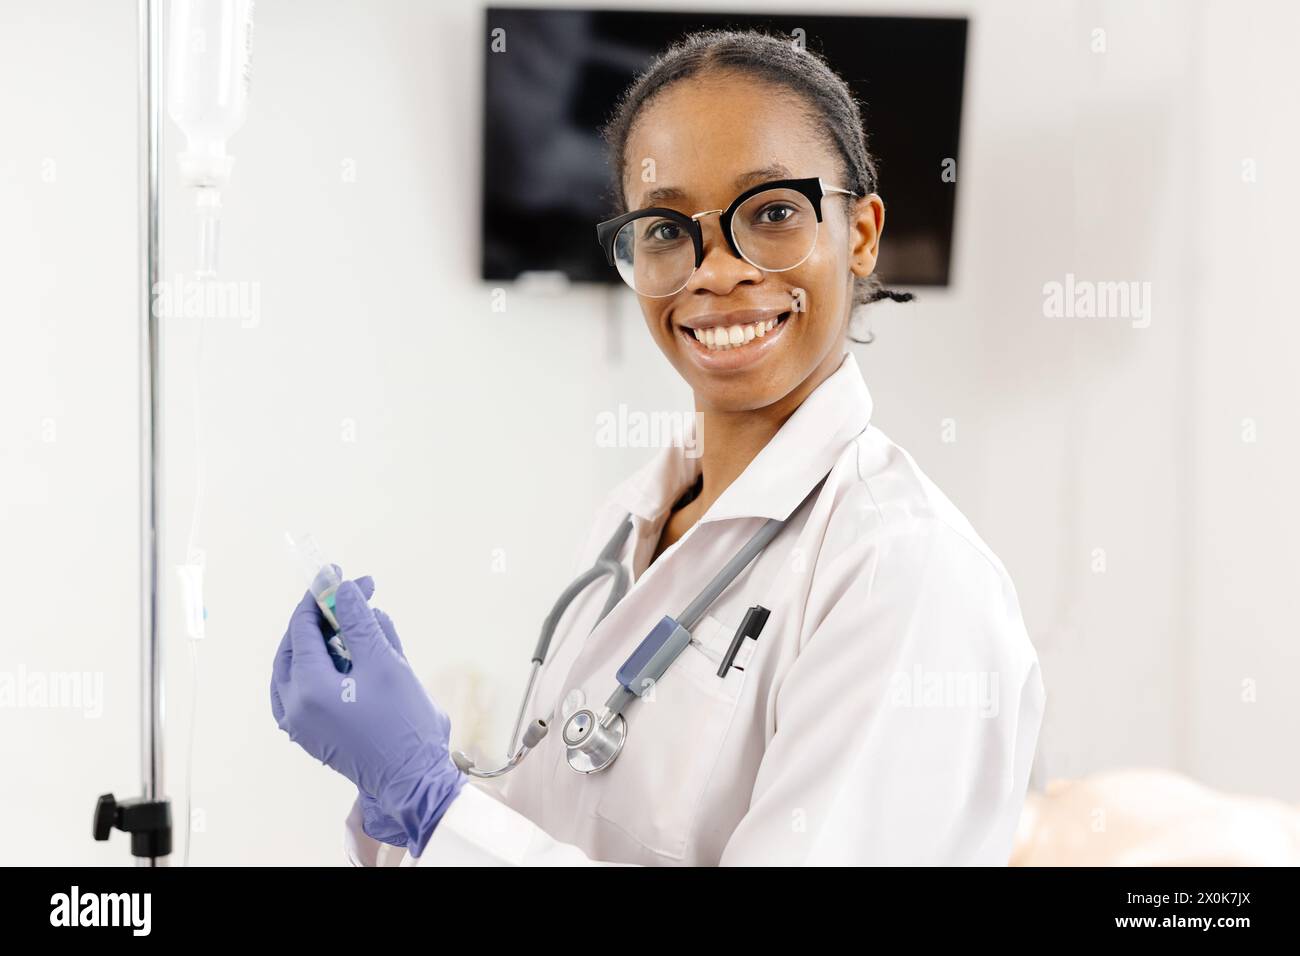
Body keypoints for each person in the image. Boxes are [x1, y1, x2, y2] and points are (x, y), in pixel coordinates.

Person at [271, 29, 1045, 866]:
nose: (714, 271)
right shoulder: (627, 522)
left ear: (861, 233)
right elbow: (567, 821)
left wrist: (435, 806)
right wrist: (404, 787)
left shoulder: (905, 573)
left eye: (774, 212)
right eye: (668, 230)